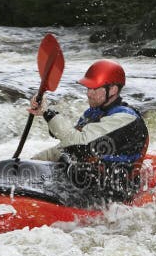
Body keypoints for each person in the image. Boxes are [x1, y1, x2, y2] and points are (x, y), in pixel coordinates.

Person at [28, 59, 149, 203]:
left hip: (112, 193)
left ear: (113, 90)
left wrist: (48, 113)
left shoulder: (124, 119)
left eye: (94, 88)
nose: (88, 94)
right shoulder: (93, 113)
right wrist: (30, 164)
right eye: (88, 88)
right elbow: (67, 146)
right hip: (86, 181)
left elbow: (77, 143)